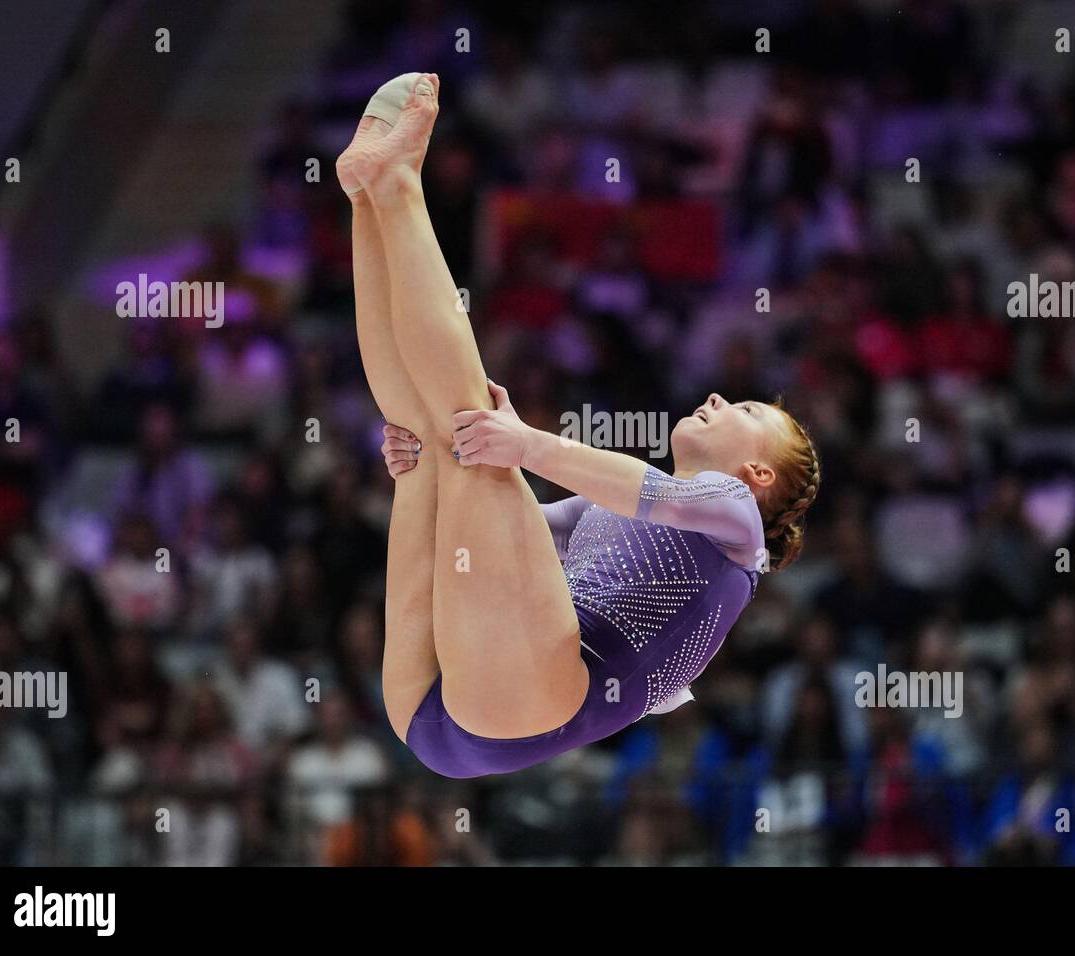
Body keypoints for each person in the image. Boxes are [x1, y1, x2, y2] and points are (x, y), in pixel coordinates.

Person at [334, 73, 820, 778]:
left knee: (472, 433)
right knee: (437, 438)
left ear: (760, 473)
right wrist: (438, 468)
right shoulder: (608, 508)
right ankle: (371, 201)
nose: (719, 397)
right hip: (448, 710)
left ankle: (403, 185)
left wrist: (520, 441)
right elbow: (514, 531)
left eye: (745, 411)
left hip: (522, 703)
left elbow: (650, 492)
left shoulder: (739, 526)